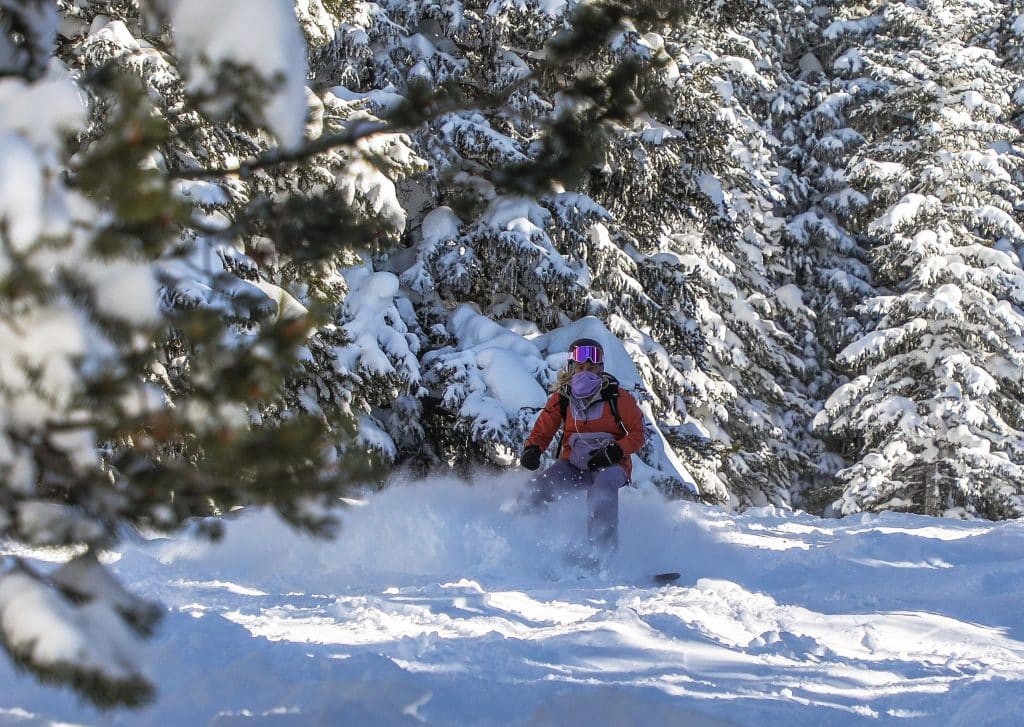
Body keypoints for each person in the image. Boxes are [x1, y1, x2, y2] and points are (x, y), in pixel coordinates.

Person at [518, 337, 645, 556]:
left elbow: (639, 433)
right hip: (575, 466)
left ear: (600, 369)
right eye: (580, 367)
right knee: (536, 490)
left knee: (602, 491)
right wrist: (533, 448)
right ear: (571, 369)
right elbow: (545, 426)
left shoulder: (617, 397)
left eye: (591, 367)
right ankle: (526, 545)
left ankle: (603, 556)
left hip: (610, 466)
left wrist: (615, 451)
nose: (585, 371)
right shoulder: (563, 398)